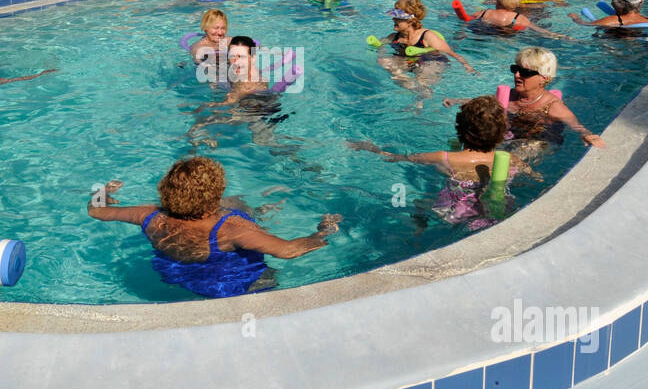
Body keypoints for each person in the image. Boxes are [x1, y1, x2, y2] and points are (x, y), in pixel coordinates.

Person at [86, 157, 342, 298]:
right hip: (235, 286)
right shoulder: (232, 229)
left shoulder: (150, 214)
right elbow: (287, 251)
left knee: (236, 207)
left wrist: (102, 192)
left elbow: (97, 211)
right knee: (239, 206)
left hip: (178, 277)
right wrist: (321, 233)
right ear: (215, 192)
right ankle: (262, 212)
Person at [348, 96, 524, 228]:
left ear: (460, 128)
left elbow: (402, 159)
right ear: (502, 132)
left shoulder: (444, 158)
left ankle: (419, 228)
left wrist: (373, 149)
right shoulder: (512, 160)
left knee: (420, 204)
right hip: (499, 210)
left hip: (454, 214)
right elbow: (536, 177)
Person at [446, 47, 604, 148]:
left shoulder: (552, 106)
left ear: (544, 77)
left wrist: (587, 134)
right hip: (511, 135)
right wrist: (458, 101)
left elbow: (576, 126)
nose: (517, 75)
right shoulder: (510, 96)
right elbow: (487, 103)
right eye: (515, 69)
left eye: (525, 73)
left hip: (539, 141)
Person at [462, 0, 562, 37]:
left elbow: (466, 18)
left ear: (498, 1)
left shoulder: (485, 13)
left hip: (483, 34)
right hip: (508, 36)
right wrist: (553, 34)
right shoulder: (520, 19)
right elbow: (538, 29)